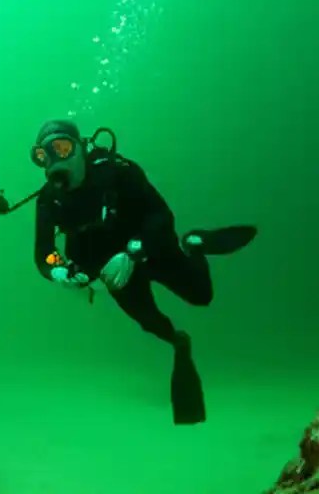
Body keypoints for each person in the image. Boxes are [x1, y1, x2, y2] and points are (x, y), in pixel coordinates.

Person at [24, 119, 256, 425]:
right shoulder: (48, 200)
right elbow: (44, 253)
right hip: (113, 275)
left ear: (81, 147)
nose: (55, 161)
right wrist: (59, 271)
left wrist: (135, 252)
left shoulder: (119, 172)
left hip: (153, 250)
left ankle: (194, 244)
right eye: (44, 155)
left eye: (62, 148)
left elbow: (161, 215)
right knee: (153, 324)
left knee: (201, 296)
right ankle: (179, 342)